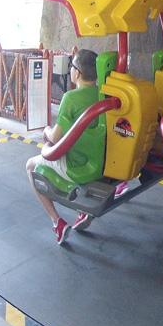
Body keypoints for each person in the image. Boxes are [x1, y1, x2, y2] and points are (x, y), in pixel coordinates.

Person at [26, 50, 100, 244]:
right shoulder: (102, 93)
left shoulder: (71, 98)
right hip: (97, 161)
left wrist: (46, 129)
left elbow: (55, 137)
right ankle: (82, 211)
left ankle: (56, 221)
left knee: (30, 166)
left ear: (77, 72)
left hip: (74, 165)